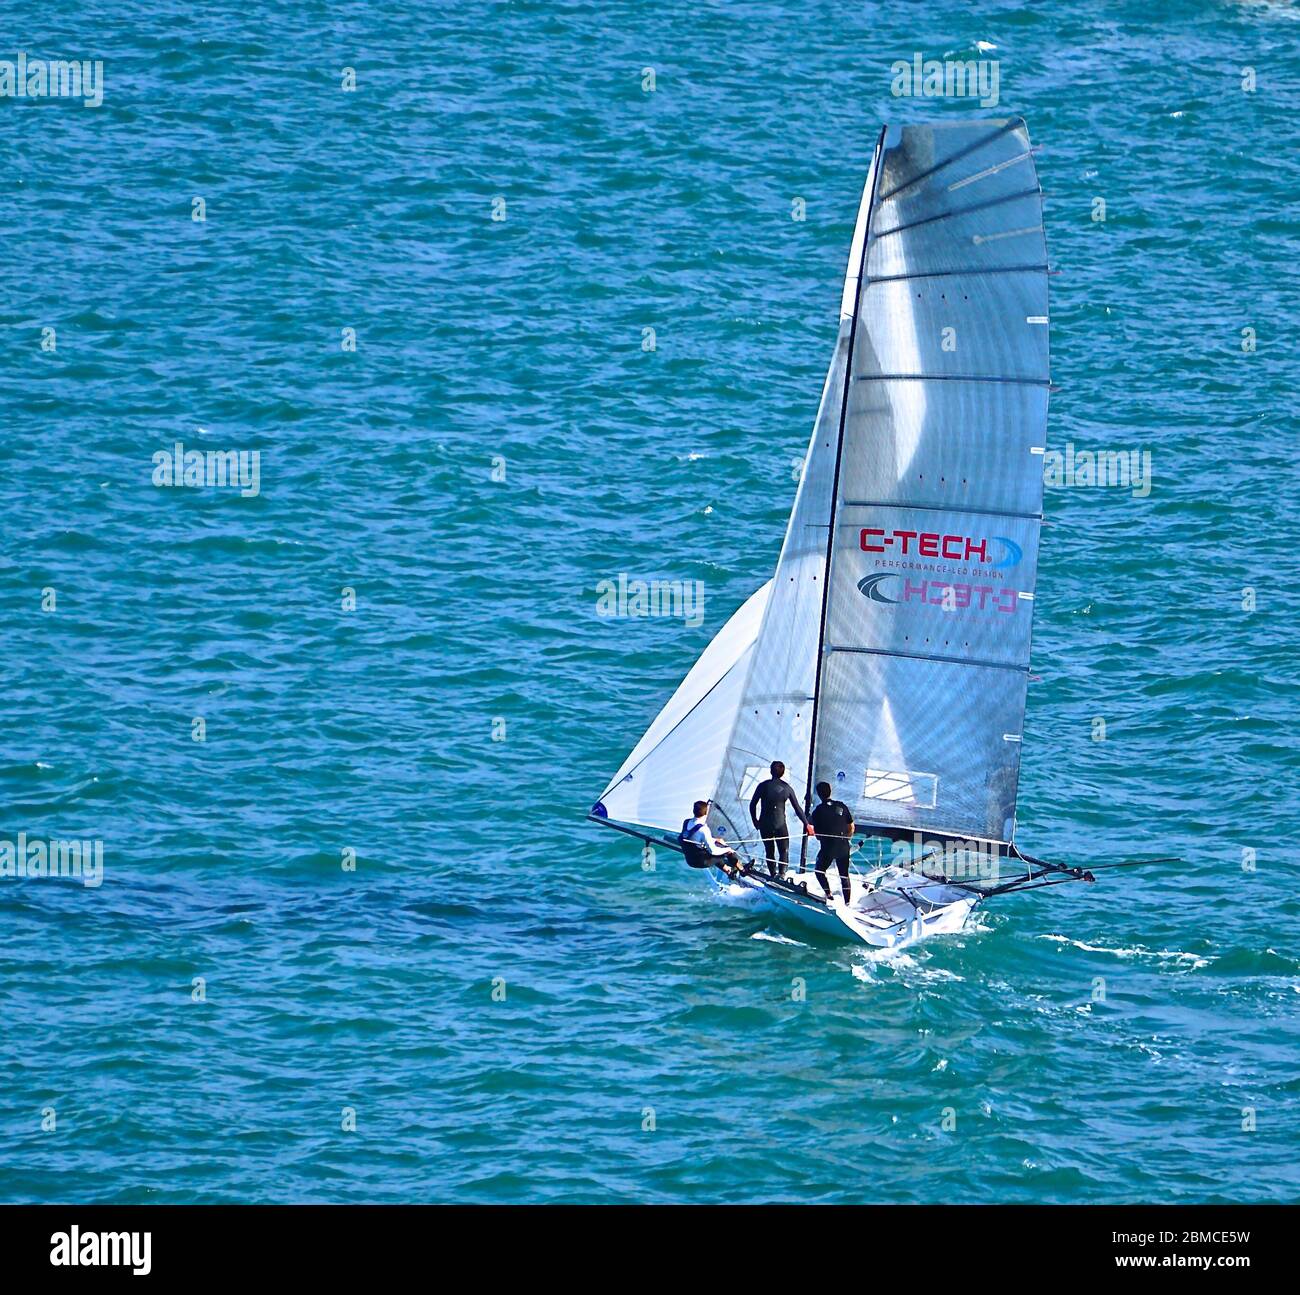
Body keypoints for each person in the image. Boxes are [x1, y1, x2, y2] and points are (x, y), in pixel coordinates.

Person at [749, 760, 813, 878]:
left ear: (770, 771)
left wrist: (755, 821)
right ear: (783, 773)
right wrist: (807, 824)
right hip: (780, 825)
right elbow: (797, 808)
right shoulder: (787, 788)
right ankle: (782, 874)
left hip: (765, 824)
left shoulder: (762, 786)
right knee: (784, 850)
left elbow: (752, 805)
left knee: (770, 851)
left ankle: (773, 874)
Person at [809, 781, 855, 903]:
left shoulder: (818, 811)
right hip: (843, 846)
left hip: (828, 848)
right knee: (844, 875)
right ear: (830, 791)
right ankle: (847, 903)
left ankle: (828, 895)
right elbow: (851, 826)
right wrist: (847, 839)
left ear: (819, 794)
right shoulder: (841, 806)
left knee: (819, 871)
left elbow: (817, 835)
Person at [679, 801, 743, 879]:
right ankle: (742, 869)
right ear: (706, 812)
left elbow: (694, 838)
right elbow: (713, 851)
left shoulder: (686, 822)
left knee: (714, 850)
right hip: (702, 862)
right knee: (724, 851)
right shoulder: (703, 829)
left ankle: (729, 871)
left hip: (690, 860)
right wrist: (727, 849)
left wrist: (714, 840)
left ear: (693, 811)